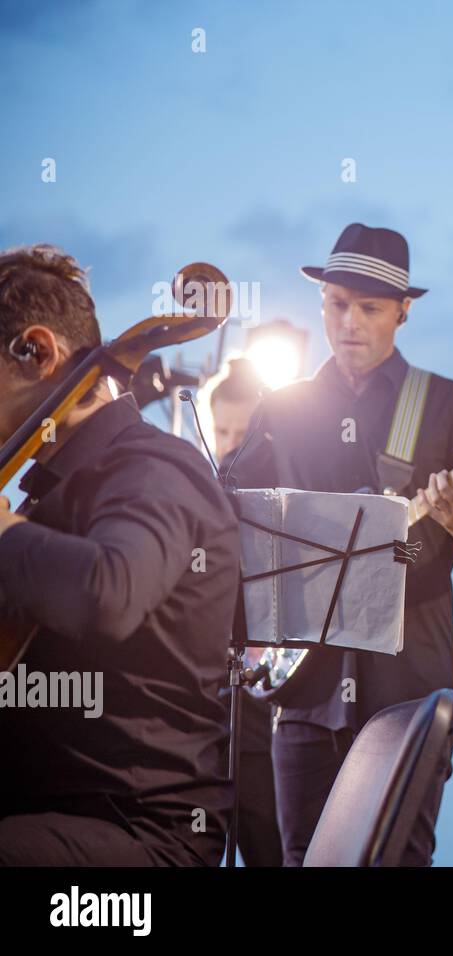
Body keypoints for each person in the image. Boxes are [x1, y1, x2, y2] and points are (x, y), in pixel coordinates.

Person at [227, 223, 453, 866]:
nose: (349, 321)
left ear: (405, 311)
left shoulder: (446, 404)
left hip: (406, 684)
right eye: (336, 304)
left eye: (370, 308)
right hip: (301, 690)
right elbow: (234, 532)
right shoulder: (281, 408)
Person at [0, 244, 237, 865]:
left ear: (38, 352)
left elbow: (109, 593)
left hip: (145, 845)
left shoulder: (153, 467)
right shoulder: (46, 499)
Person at [202, 357, 283, 866]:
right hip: (214, 716)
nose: (230, 445)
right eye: (222, 431)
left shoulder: (282, 505)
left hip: (267, 711)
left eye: (243, 434)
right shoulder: (199, 496)